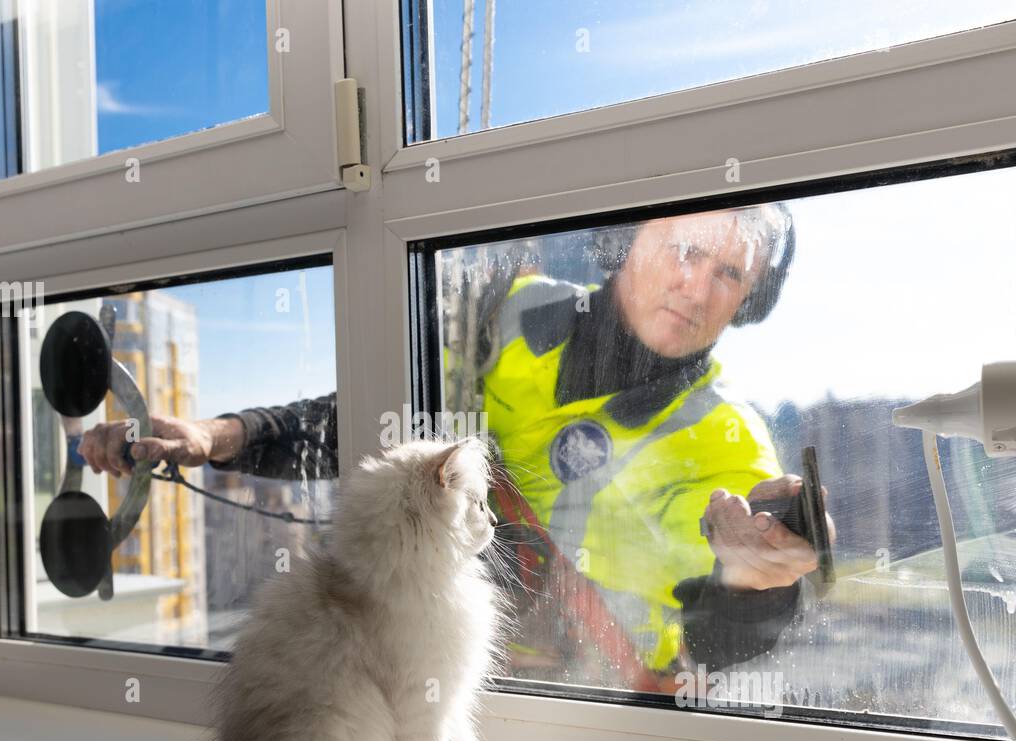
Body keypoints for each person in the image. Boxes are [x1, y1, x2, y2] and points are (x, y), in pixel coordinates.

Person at [77, 203, 832, 690]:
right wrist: (218, 438)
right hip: (430, 685)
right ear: (626, 240)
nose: (697, 288)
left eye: (729, 273)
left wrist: (760, 583)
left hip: (593, 720)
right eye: (686, 250)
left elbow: (726, 622)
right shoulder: (509, 316)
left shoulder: (725, 438)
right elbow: (371, 426)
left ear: (749, 301)